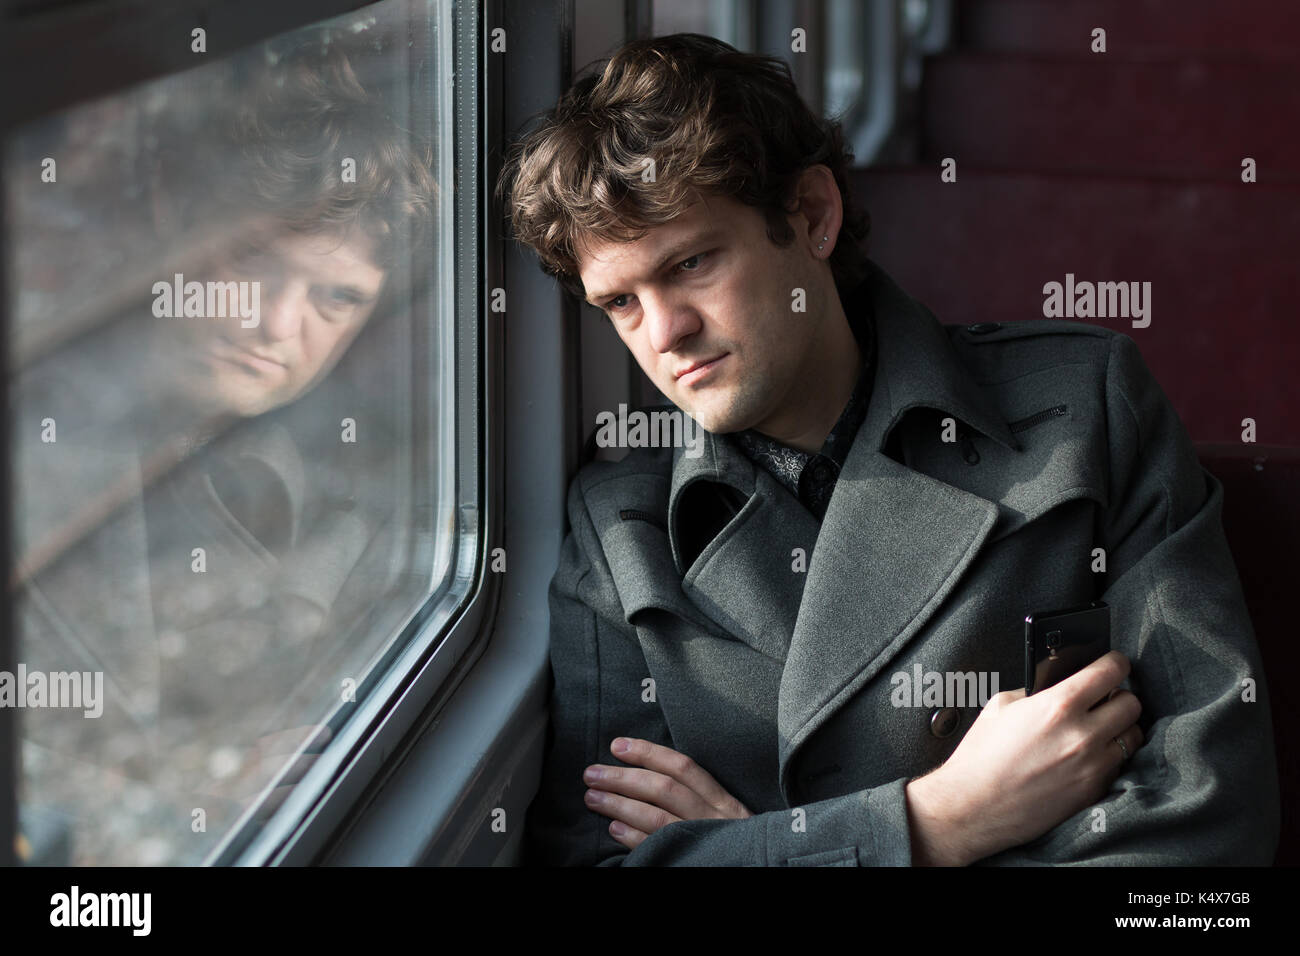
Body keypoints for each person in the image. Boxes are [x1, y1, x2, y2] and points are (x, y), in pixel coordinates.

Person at [499, 33, 1281, 866]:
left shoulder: (1083, 409)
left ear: (812, 215)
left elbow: (1207, 838)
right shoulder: (620, 529)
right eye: (620, 302)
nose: (665, 334)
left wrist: (754, 849)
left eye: (691, 263)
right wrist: (937, 823)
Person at [11, 31, 436, 864]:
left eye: (337, 296)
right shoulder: (42, 427)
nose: (276, 325)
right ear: (178, 225)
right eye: (252, 264)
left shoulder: (376, 477)